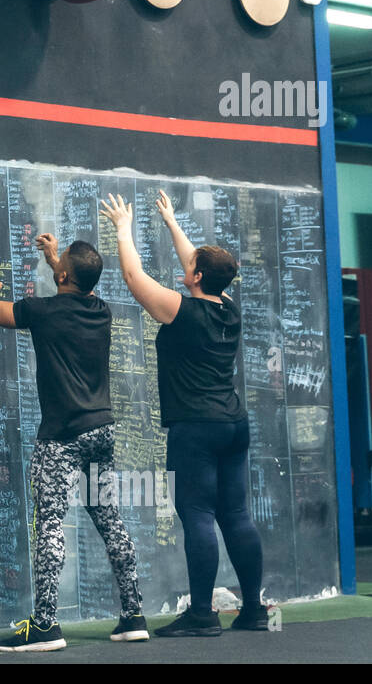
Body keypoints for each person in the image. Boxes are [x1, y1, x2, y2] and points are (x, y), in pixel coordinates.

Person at [99, 190, 267, 636]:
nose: (186, 266)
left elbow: (134, 278)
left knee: (197, 514)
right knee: (236, 515)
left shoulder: (182, 311)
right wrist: (172, 221)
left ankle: (202, 615)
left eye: (191, 266)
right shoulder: (228, 308)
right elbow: (201, 262)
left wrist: (122, 228)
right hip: (234, 424)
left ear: (195, 276)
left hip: (196, 428)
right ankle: (253, 611)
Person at [0, 234, 147, 651]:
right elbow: (73, 282)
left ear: (64, 276)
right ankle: (133, 615)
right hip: (101, 431)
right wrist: (55, 259)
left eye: (60, 265)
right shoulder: (100, 311)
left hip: (63, 436)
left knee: (50, 522)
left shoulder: (43, 311)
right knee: (109, 518)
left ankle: (47, 625)